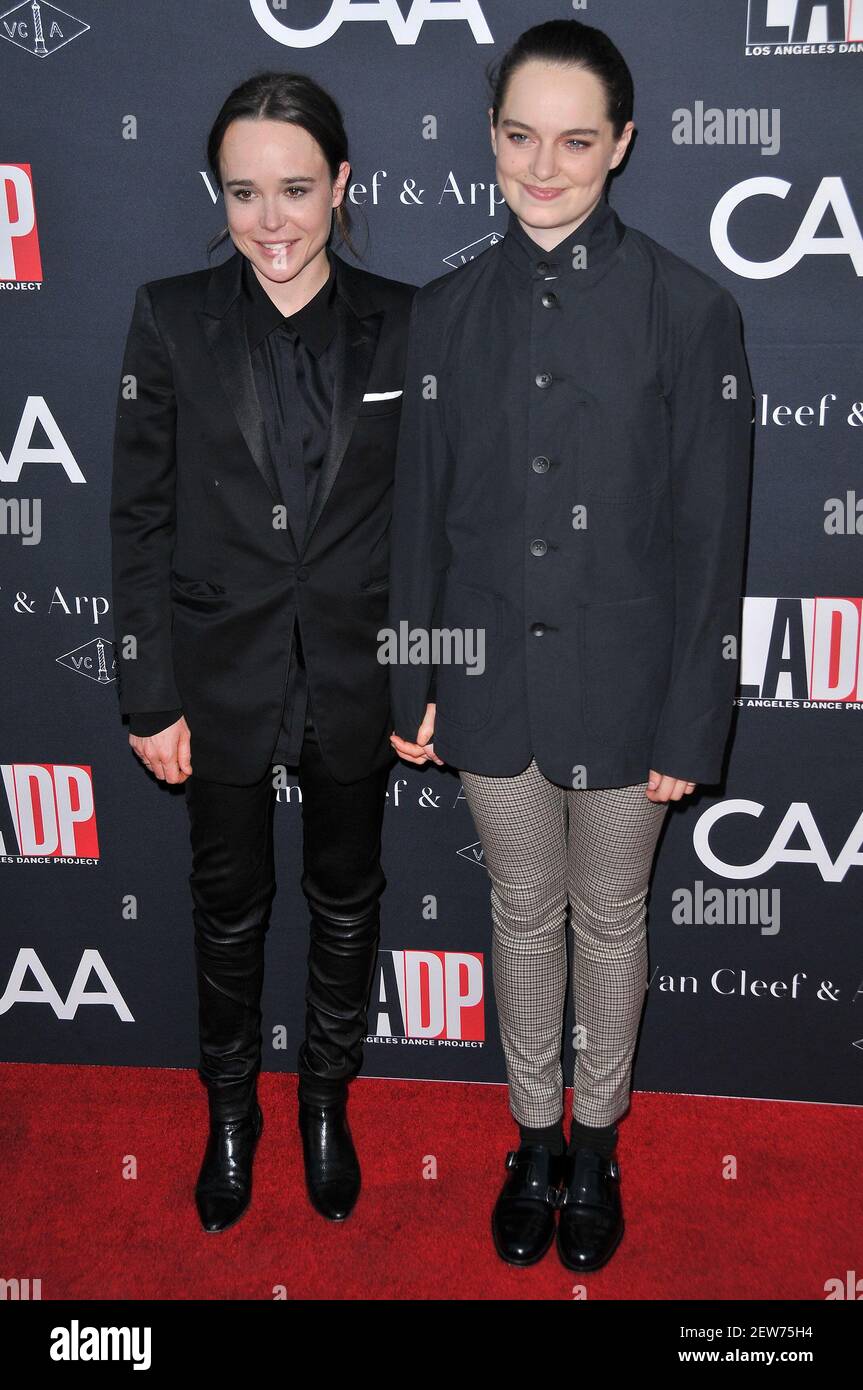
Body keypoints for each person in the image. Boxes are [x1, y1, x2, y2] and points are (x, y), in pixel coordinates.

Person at [388, 19, 753, 1273]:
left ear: (622, 145)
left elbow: (714, 543)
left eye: (575, 140)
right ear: (491, 135)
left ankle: (595, 1145)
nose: (542, 166)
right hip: (485, 687)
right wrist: (415, 672)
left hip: (630, 691)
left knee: (607, 916)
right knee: (519, 913)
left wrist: (689, 720)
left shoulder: (690, 312)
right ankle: (530, 1133)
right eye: (519, 136)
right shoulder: (441, 313)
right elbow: (420, 512)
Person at [110, 71, 416, 1233]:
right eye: (244, 192)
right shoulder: (168, 315)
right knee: (225, 903)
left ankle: (324, 1103)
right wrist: (147, 694)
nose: (271, 220)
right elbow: (136, 516)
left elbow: (436, 521)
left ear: (341, 185)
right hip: (216, 677)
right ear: (219, 194)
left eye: (295, 188)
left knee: (346, 898)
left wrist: (427, 676)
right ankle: (229, 1109)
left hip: (357, 673)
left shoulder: (408, 317)